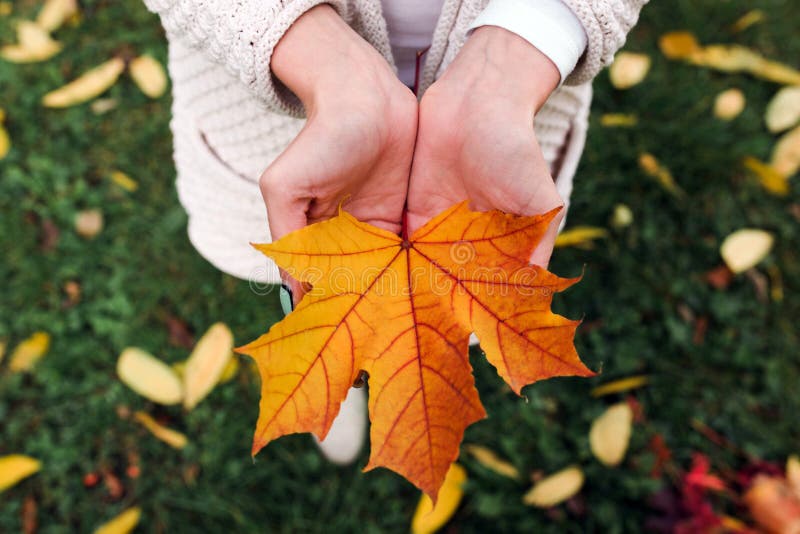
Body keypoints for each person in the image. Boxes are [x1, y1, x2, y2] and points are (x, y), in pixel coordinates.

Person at [143, 0, 647, 464]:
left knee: (418, 308)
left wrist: (521, 49)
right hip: (269, 103)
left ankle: (346, 371)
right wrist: (316, 54)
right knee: (312, 274)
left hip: (504, 112)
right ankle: (336, 377)